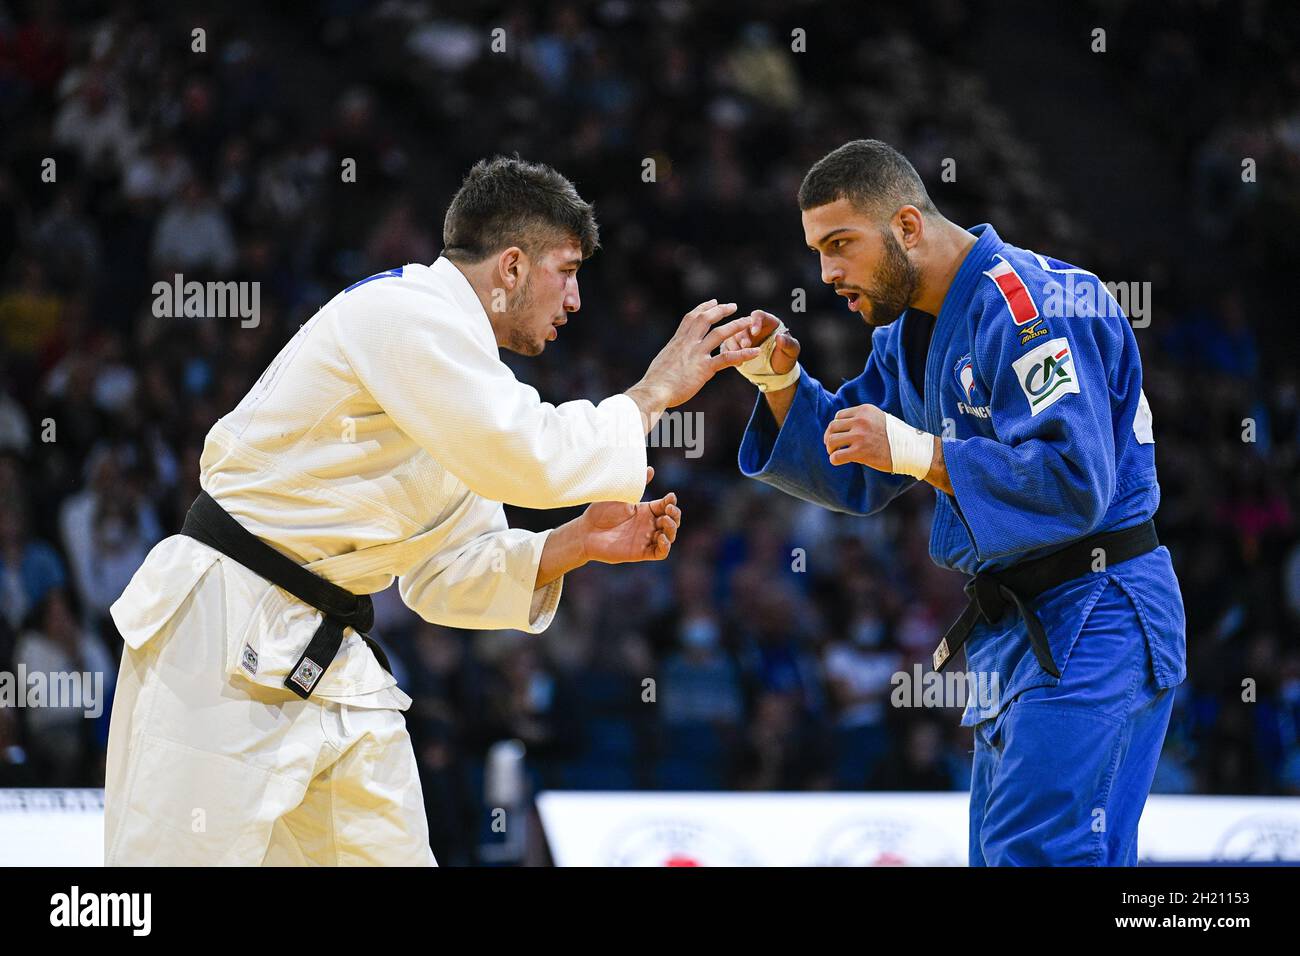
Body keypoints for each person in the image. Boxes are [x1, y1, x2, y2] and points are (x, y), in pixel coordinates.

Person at [105, 155, 760, 866]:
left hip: (332, 661)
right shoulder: (404, 313)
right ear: (511, 267)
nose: (575, 300)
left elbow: (442, 575)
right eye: (566, 271)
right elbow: (527, 452)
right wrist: (652, 393)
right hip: (224, 635)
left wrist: (575, 542)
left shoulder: (464, 375)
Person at [724, 139, 1186, 865]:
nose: (828, 274)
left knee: (1040, 855)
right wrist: (778, 384)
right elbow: (855, 471)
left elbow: (1073, 480)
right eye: (817, 251)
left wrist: (919, 452)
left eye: (841, 244)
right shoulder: (907, 333)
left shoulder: (1030, 303)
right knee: (1016, 856)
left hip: (1098, 608)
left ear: (908, 226)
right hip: (1017, 630)